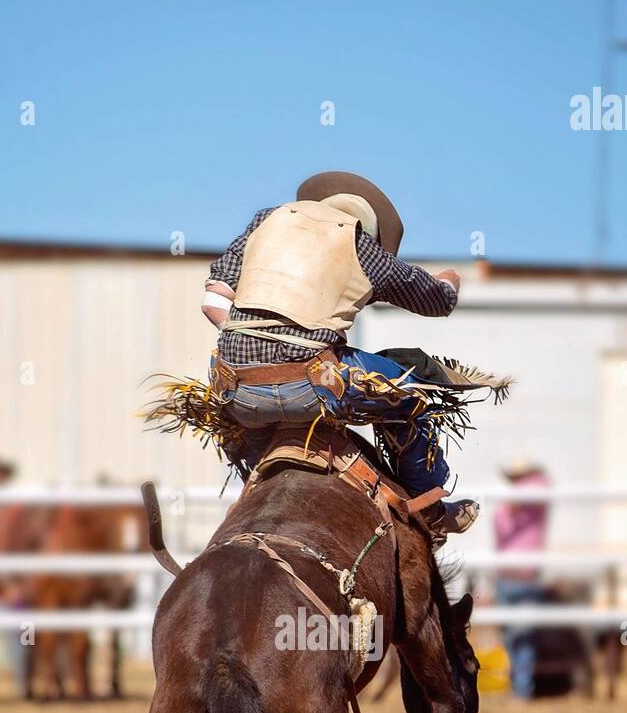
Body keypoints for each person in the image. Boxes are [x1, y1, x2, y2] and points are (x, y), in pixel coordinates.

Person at [201, 171, 479, 540]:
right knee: (412, 393)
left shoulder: (265, 223)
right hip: (315, 385)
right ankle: (428, 509)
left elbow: (213, 301)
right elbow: (436, 302)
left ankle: (258, 481)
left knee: (239, 428)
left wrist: (260, 353)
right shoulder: (357, 241)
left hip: (235, 388)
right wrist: (449, 281)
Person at [494, 461, 550, 700]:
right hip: (505, 576)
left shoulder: (536, 493)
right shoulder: (511, 504)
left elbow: (540, 486)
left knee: (523, 635)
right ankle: (516, 685)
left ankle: (522, 689)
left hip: (524, 576)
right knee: (510, 636)